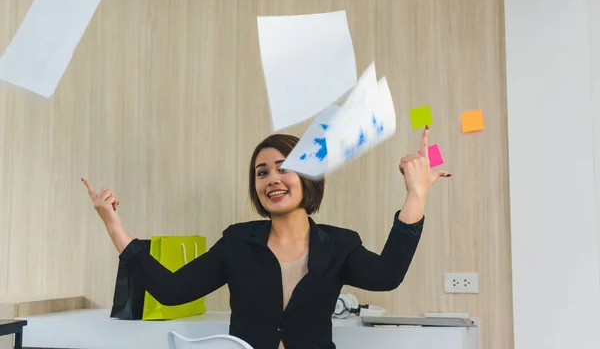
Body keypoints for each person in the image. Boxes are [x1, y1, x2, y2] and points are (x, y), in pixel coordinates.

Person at [82, 126, 449, 349]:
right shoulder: (237, 243)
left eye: (284, 168)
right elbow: (172, 291)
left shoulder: (340, 244)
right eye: (262, 172)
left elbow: (387, 276)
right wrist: (114, 225)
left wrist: (416, 194)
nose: (272, 178)